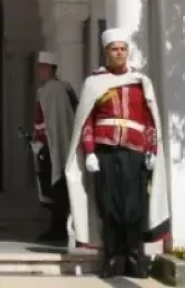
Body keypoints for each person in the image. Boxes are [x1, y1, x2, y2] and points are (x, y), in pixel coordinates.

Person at [64, 28, 170, 278]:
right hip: (106, 152)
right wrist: (89, 152)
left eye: (123, 49)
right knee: (110, 207)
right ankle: (112, 258)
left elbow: (151, 119)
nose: (119, 53)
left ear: (127, 52)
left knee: (133, 208)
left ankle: (134, 256)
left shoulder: (140, 82)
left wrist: (152, 149)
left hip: (135, 152)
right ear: (106, 52)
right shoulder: (94, 82)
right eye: (115, 49)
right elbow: (86, 121)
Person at [30, 51, 78, 242]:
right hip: (48, 144)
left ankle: (59, 229)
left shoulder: (55, 90)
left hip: (55, 144)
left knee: (57, 188)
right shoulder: (52, 89)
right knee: (51, 186)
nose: (40, 71)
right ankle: (56, 227)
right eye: (39, 67)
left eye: (44, 67)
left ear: (51, 69)